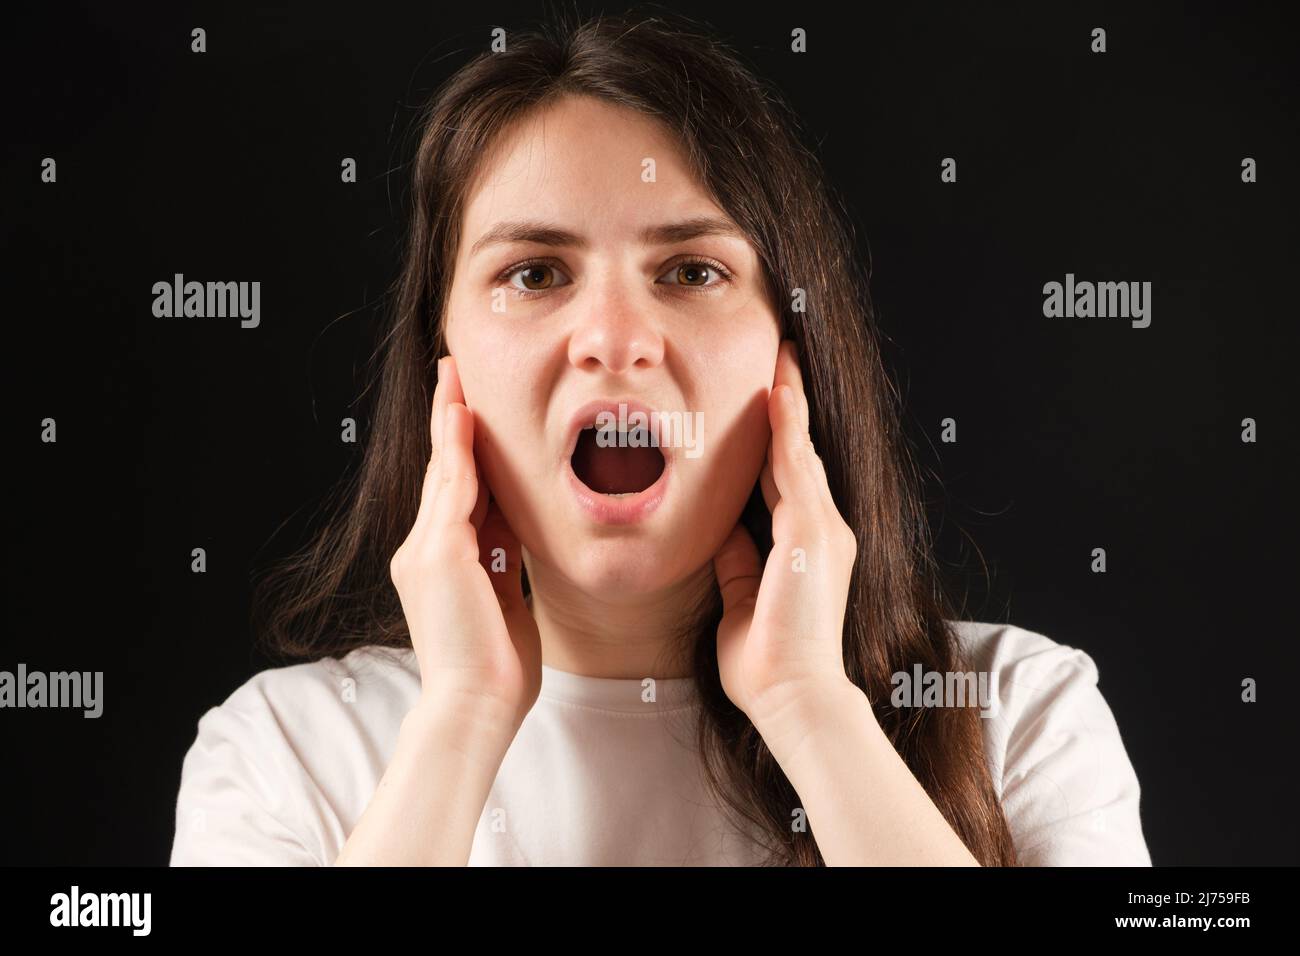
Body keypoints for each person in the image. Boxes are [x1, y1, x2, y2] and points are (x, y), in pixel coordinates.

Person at [169, 10, 1151, 866]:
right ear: (444, 357)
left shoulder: (1020, 714)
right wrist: (460, 715)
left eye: (688, 270)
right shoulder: (281, 755)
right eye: (535, 272)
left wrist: (811, 705)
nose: (613, 339)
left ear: (792, 348)